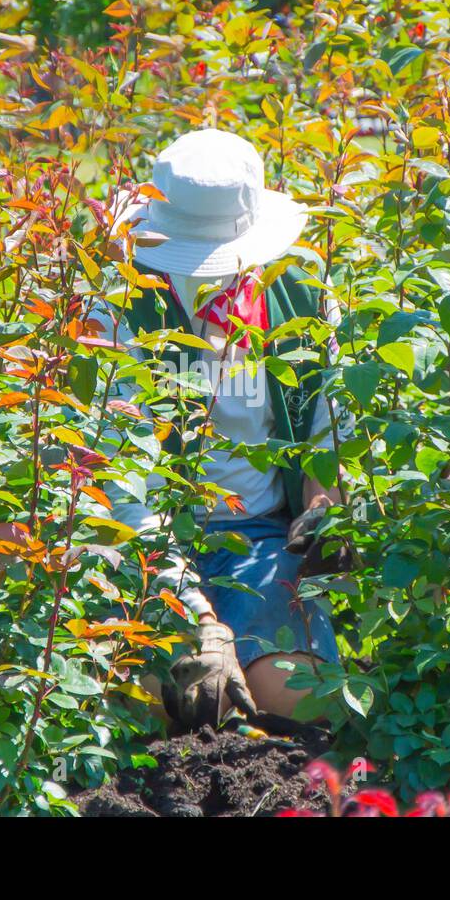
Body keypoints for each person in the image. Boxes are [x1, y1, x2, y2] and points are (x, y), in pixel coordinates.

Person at [92, 129, 352, 731]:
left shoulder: (304, 299)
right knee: (163, 702)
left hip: (259, 537)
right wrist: (194, 619)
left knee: (303, 701)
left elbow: (324, 435)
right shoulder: (117, 311)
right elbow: (121, 497)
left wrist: (322, 508)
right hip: (147, 540)